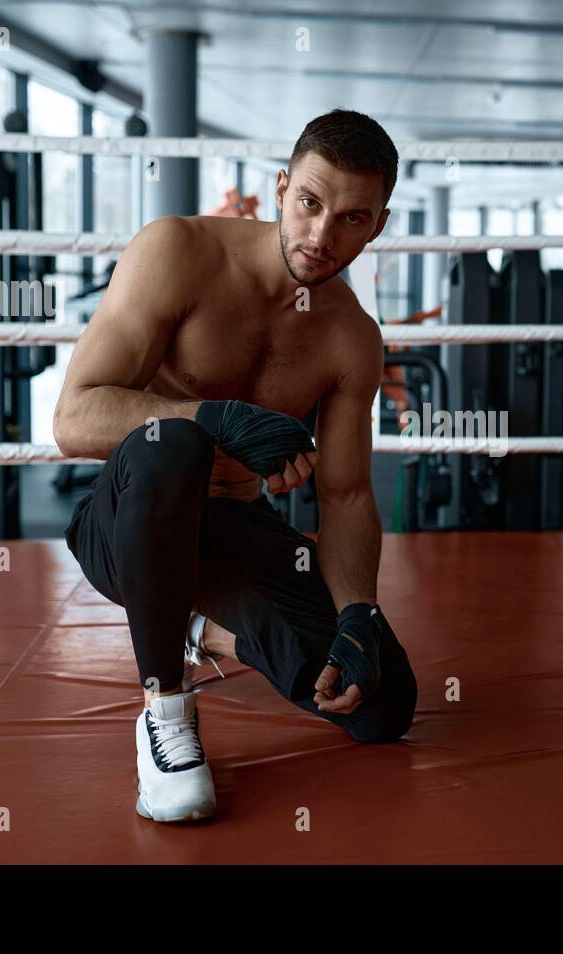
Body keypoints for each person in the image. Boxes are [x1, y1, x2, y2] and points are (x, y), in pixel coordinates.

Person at [53, 110, 417, 823]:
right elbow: (72, 418)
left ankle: (198, 624)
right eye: (310, 203)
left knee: (382, 703)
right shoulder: (178, 252)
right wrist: (214, 420)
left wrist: (358, 613)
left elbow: (343, 498)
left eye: (350, 218)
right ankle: (164, 715)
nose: (321, 236)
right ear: (281, 187)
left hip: (234, 528)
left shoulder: (350, 339)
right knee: (176, 443)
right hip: (128, 520)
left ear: (376, 226)